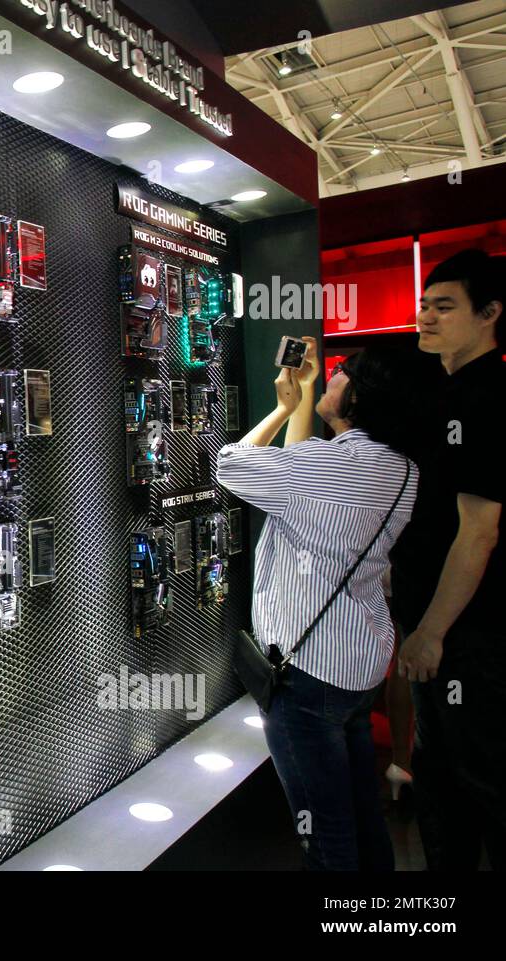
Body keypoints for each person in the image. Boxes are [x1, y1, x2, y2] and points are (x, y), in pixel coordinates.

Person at [216, 337, 419, 870]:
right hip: (359, 661)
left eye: (341, 373)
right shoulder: (402, 470)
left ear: (362, 393)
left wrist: (283, 407)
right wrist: (305, 396)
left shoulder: (326, 467)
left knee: (323, 830)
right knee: (358, 809)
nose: (330, 377)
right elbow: (296, 469)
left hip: (307, 674)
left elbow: (232, 466)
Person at [390, 249, 505, 870]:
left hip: (468, 642)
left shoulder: (483, 398)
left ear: (489, 315)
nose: (426, 316)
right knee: (445, 788)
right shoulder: (453, 392)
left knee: (476, 785)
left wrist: (431, 632)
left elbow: (478, 531)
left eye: (444, 306)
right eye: (424, 304)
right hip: (450, 639)